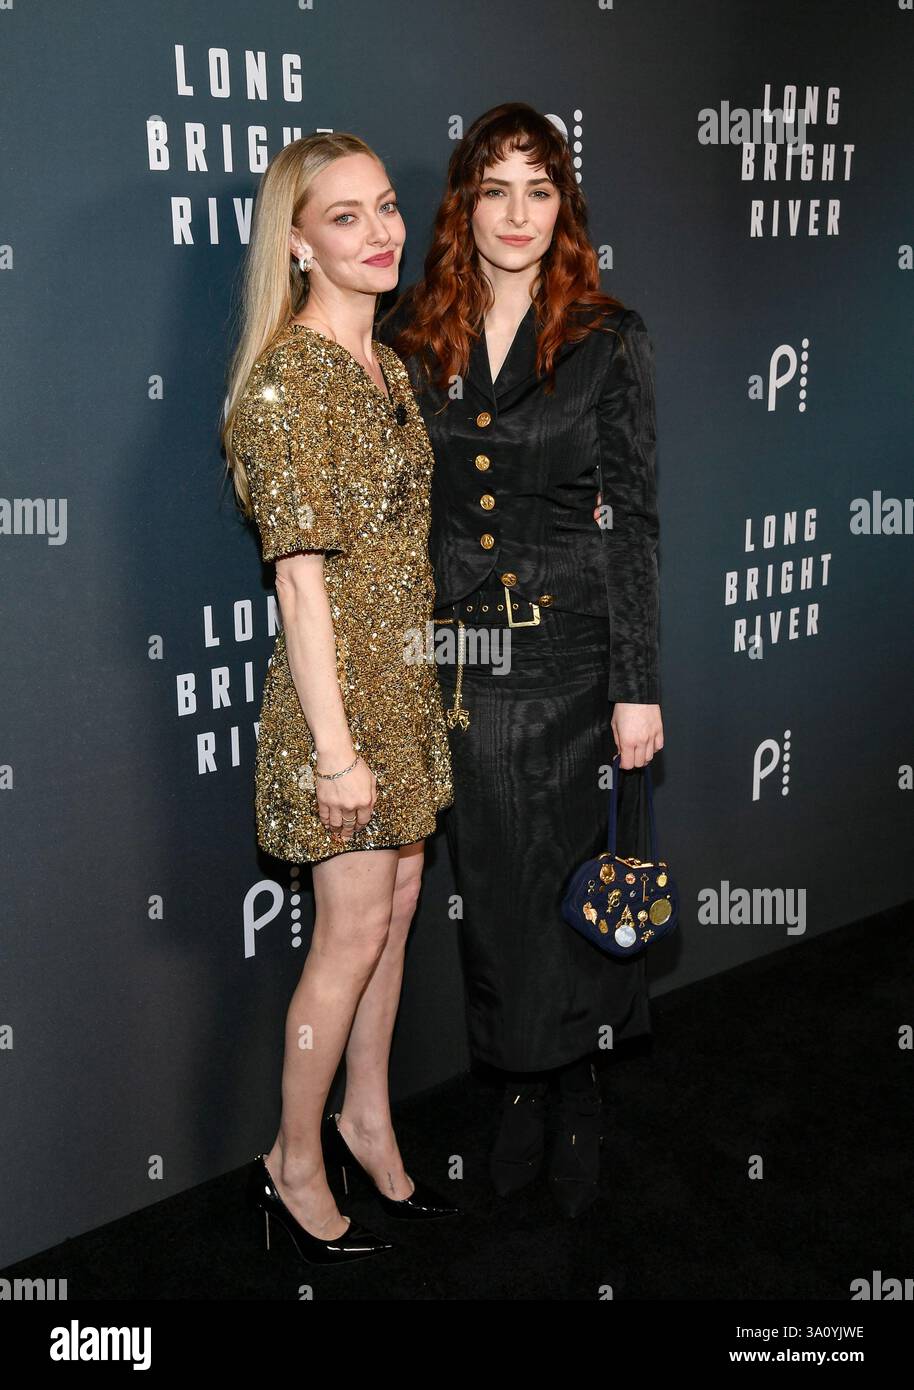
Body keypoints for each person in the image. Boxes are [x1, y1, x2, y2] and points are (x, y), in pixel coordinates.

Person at [377, 103, 664, 1218]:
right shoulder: (413, 338)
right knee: (494, 892)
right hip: (462, 658)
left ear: (563, 206)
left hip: (580, 655)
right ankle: (511, 1085)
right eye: (494, 188)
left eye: (536, 190)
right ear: (465, 202)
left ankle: (581, 1078)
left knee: (576, 882)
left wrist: (637, 683)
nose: (515, 213)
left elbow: (631, 520)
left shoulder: (606, 335)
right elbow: (400, 513)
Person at [222, 133, 458, 1264]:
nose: (379, 234)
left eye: (385, 208)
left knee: (397, 910)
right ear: (300, 242)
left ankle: (367, 1118)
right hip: (339, 711)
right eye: (346, 217)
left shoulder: (391, 366)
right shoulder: (285, 381)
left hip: (403, 689)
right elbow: (299, 587)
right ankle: (291, 1161)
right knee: (348, 931)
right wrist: (333, 754)